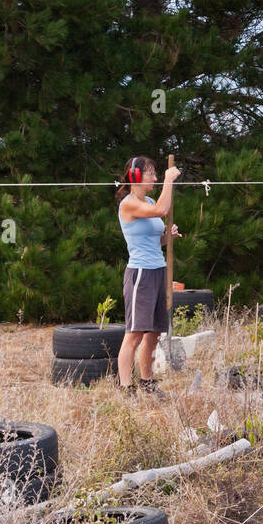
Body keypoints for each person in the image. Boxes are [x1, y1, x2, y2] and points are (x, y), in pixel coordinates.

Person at [115, 155, 181, 395]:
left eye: (156, 173)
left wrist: (167, 237)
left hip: (157, 270)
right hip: (140, 273)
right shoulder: (129, 204)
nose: (154, 177)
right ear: (135, 176)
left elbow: (153, 240)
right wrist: (168, 180)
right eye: (150, 173)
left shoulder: (150, 200)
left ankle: (147, 381)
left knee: (153, 334)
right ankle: (125, 386)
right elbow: (162, 210)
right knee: (134, 334)